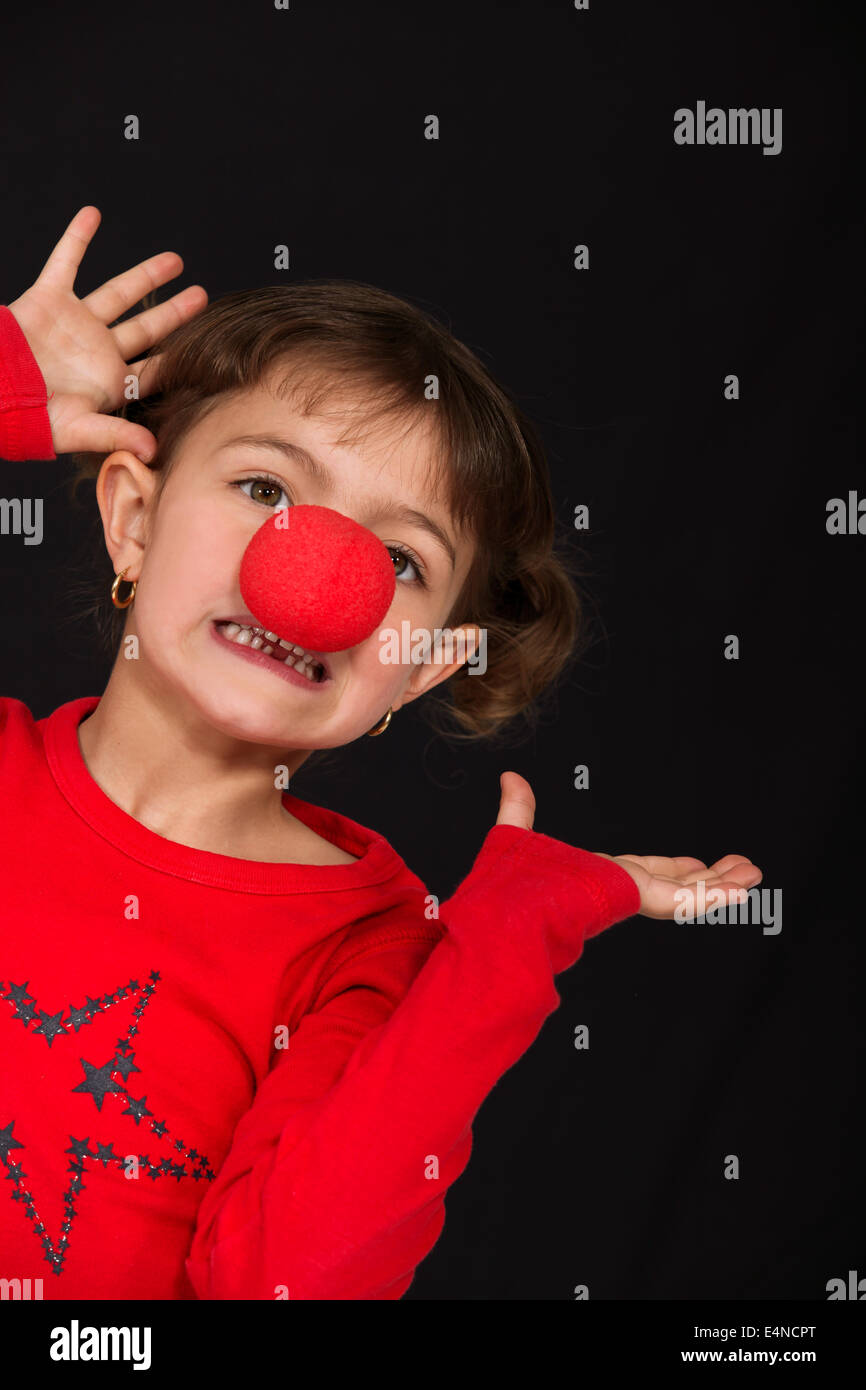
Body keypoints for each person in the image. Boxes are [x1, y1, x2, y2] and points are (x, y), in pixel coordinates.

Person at [0, 206, 762, 1299]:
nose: (317, 574)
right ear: (132, 517)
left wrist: (498, 945)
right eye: (265, 488)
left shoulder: (371, 947)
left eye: (399, 559)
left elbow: (283, 1280)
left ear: (416, 665)